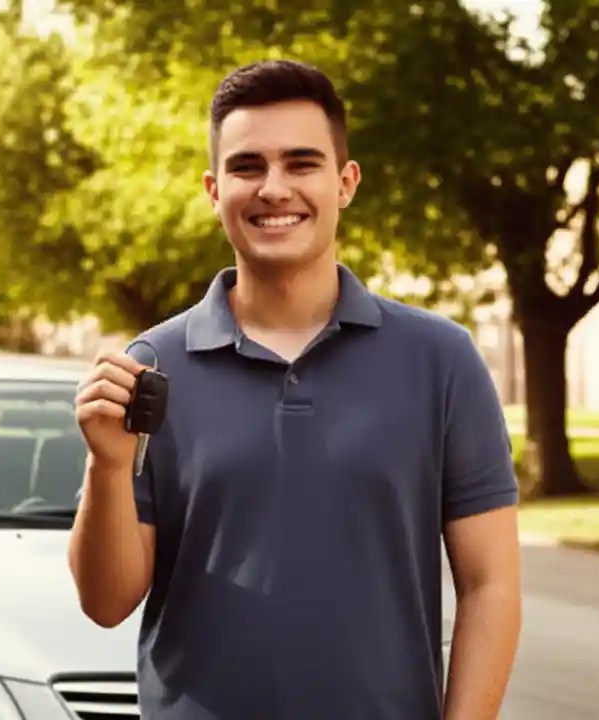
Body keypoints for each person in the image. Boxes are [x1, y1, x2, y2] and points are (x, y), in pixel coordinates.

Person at [68, 59, 521, 719]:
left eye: (301, 164)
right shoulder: (152, 367)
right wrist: (106, 466)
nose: (274, 188)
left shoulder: (439, 359)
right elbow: (105, 604)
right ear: (213, 188)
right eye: (248, 166)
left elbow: (491, 585)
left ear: (345, 183)